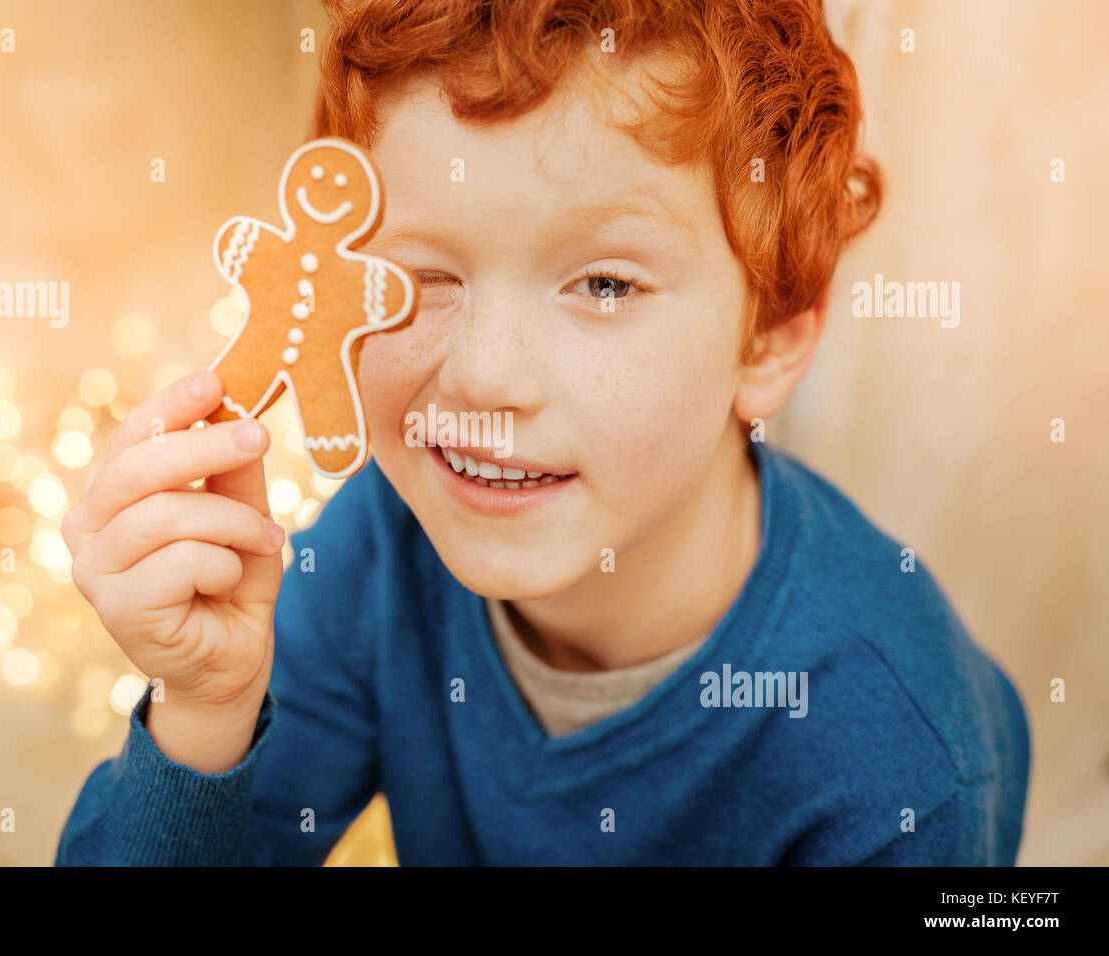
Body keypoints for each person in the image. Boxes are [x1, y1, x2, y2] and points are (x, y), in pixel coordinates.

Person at [55, 0, 1028, 865]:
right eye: (420, 279)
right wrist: (208, 712)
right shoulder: (378, 546)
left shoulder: (898, 773)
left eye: (605, 284)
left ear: (767, 335)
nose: (485, 375)